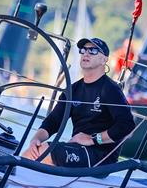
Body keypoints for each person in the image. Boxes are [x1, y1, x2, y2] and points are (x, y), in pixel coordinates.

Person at [22, 38, 136, 168]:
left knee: (44, 152)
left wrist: (92, 139)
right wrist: (36, 139)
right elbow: (53, 121)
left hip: (100, 158)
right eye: (83, 50)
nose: (86, 53)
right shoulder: (73, 90)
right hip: (77, 149)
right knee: (29, 153)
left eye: (93, 50)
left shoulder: (110, 89)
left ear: (104, 59)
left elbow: (127, 125)